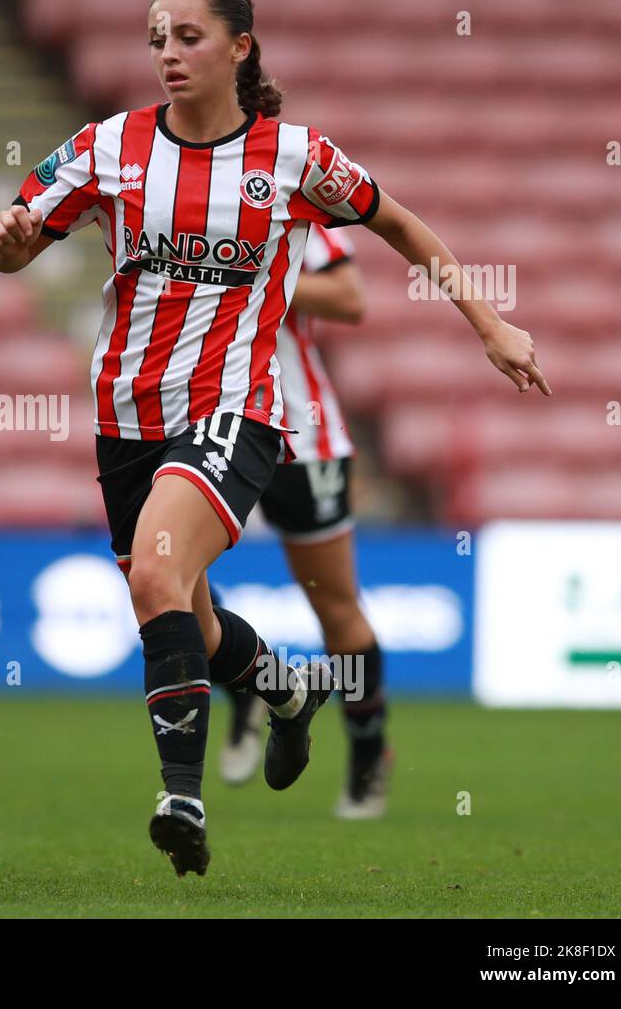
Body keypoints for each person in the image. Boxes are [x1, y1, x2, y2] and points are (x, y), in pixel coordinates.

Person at [0, 0, 548, 877]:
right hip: (126, 418)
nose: (168, 53)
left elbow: (399, 226)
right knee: (184, 616)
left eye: (189, 37)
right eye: (157, 38)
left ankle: (182, 796)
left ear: (240, 48)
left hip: (235, 412)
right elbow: (13, 237)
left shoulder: (291, 158)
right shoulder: (107, 146)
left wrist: (489, 322)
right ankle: (285, 693)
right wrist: (9, 245)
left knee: (157, 576)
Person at [217, 223, 393, 820]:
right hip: (203, 421)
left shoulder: (286, 205)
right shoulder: (163, 187)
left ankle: (369, 750)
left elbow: (351, 298)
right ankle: (253, 685)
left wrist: (263, 270)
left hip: (299, 431)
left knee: (335, 607)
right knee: (160, 567)